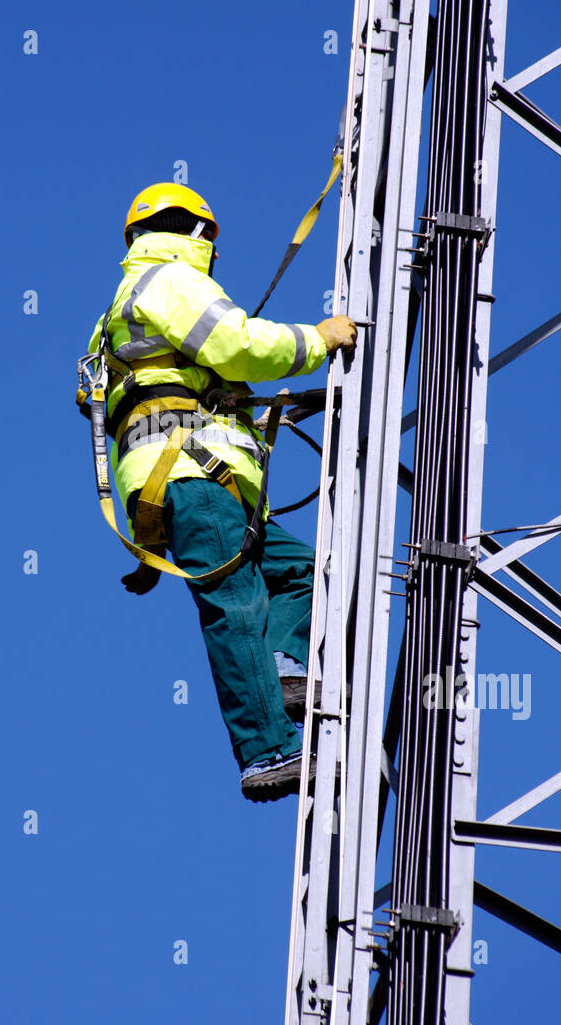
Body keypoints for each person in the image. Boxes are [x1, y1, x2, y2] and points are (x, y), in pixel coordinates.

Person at [84, 183, 357, 801]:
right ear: (198, 232)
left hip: (187, 478)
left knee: (303, 574)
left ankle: (288, 674)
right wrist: (319, 340)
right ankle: (266, 752)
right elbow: (234, 343)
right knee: (235, 604)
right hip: (193, 472)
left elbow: (154, 389)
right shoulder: (169, 280)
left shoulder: (117, 312)